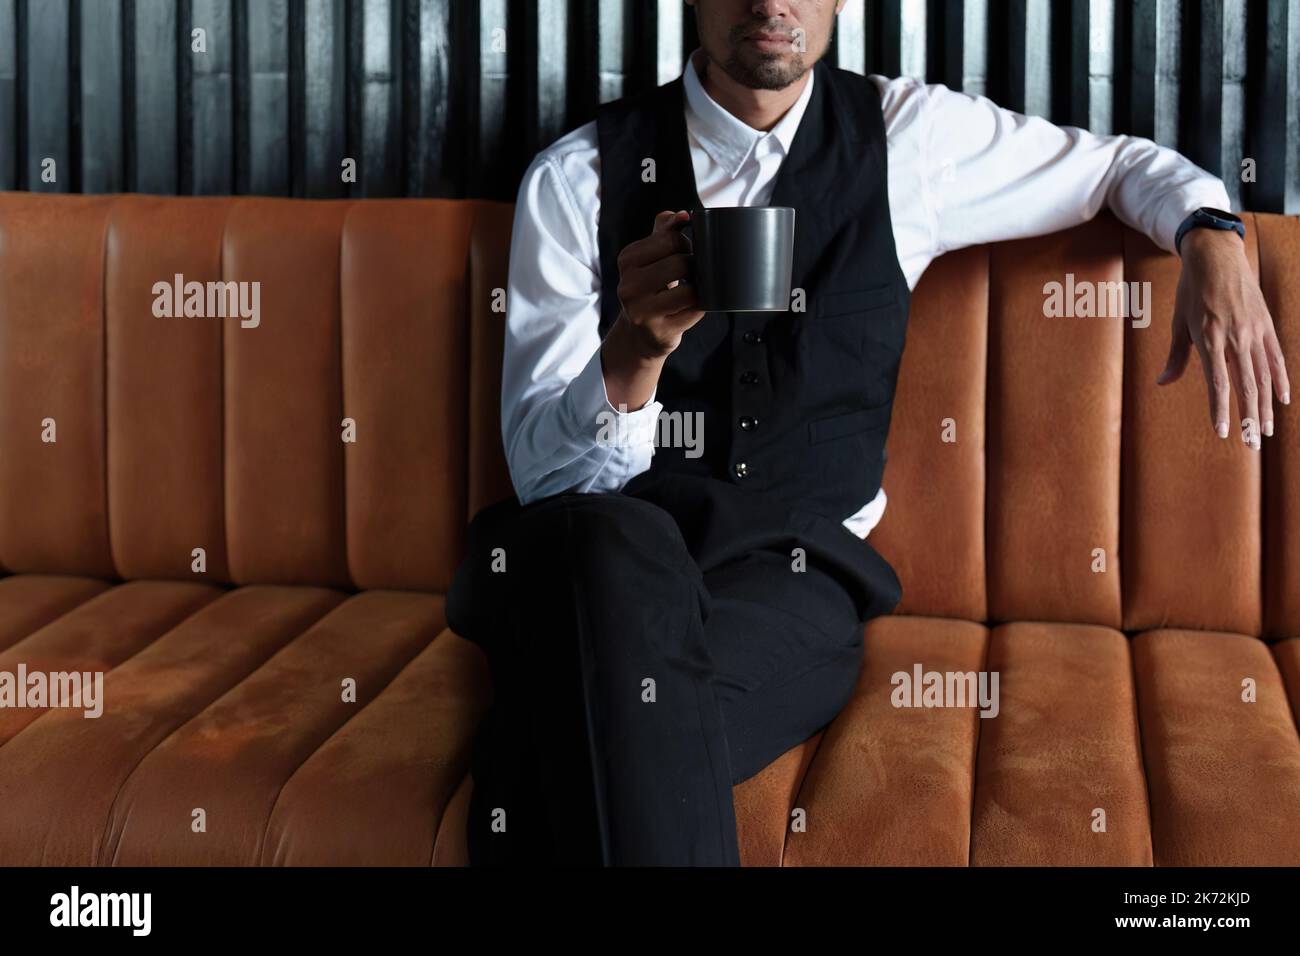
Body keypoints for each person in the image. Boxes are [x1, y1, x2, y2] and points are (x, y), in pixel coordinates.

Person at [446, 0, 1289, 866]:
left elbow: (1115, 167)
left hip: (789, 575)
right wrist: (636, 350)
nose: (774, 4)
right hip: (602, 557)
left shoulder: (911, 140)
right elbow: (545, 480)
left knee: (561, 746)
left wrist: (1212, 234)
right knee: (606, 564)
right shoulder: (575, 177)